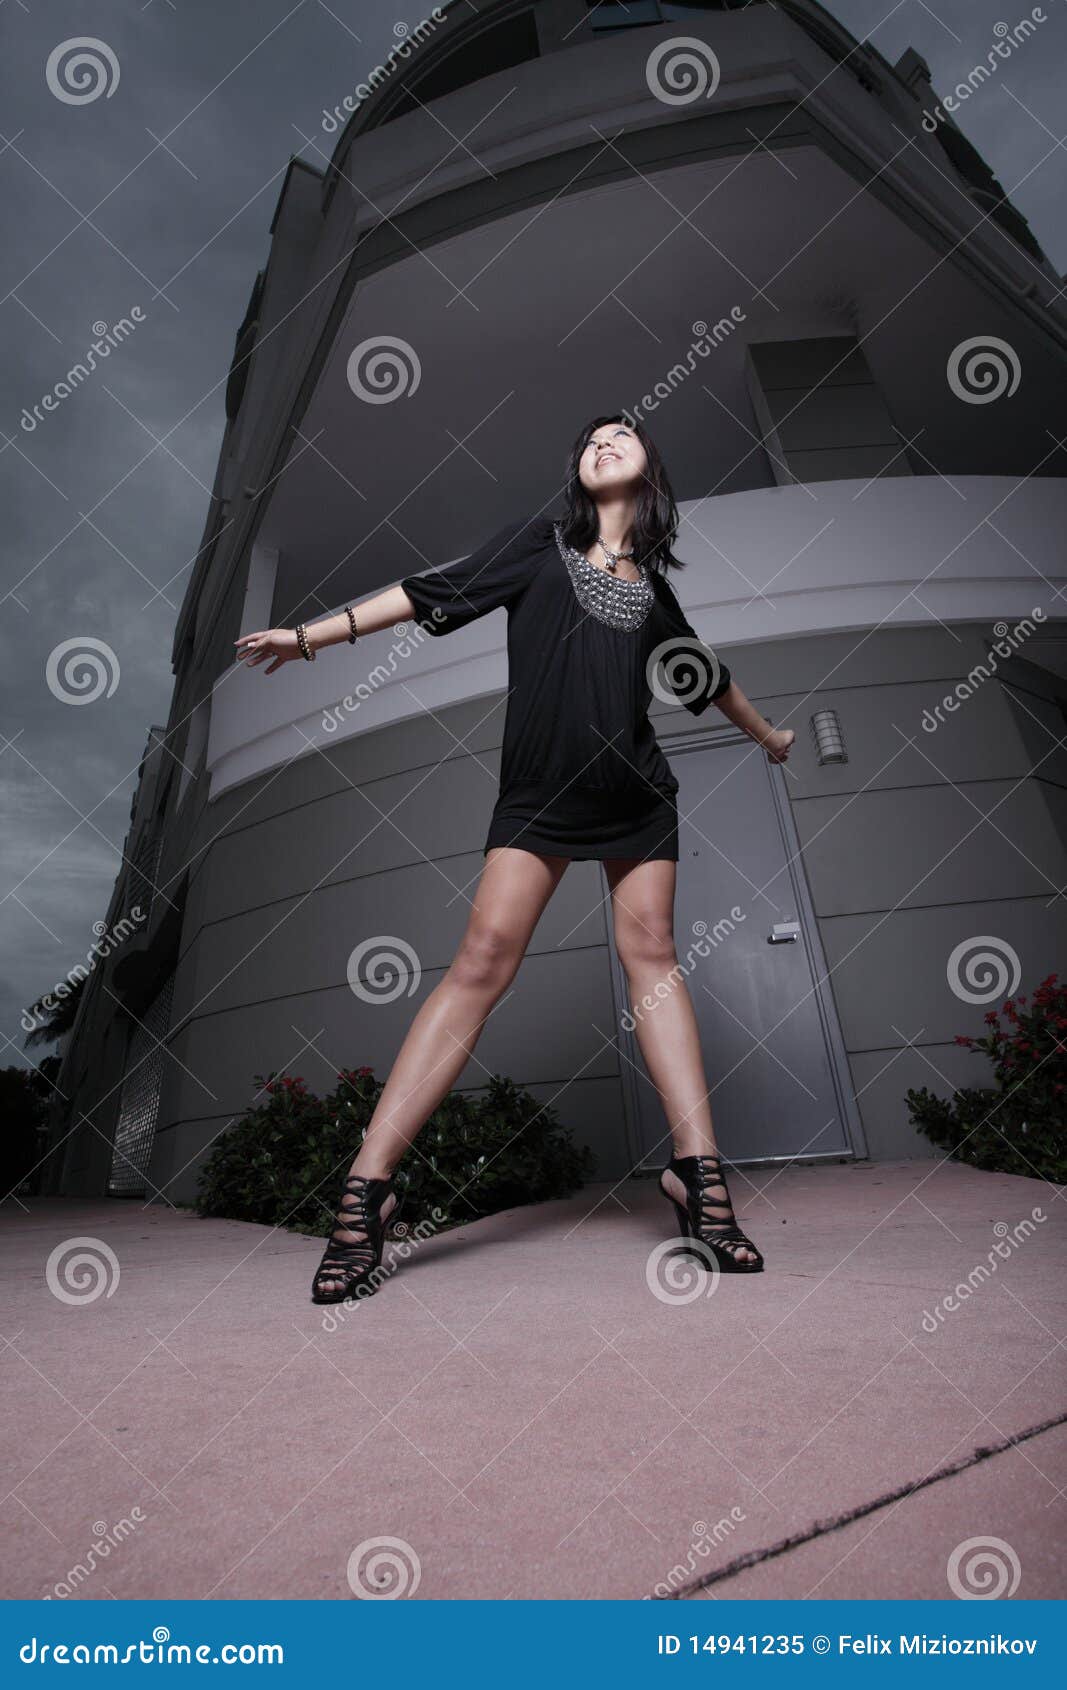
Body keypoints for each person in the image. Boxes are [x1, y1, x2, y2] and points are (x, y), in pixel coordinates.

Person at [235, 415, 795, 1302]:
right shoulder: (541, 546)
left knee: (651, 959)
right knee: (480, 964)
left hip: (636, 796)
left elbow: (705, 676)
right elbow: (429, 590)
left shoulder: (651, 593)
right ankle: (367, 1195)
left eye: (623, 433)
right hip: (538, 794)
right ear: (577, 471)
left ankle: (700, 1179)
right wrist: (310, 637)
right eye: (590, 438)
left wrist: (769, 736)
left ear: (650, 468)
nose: (604, 441)